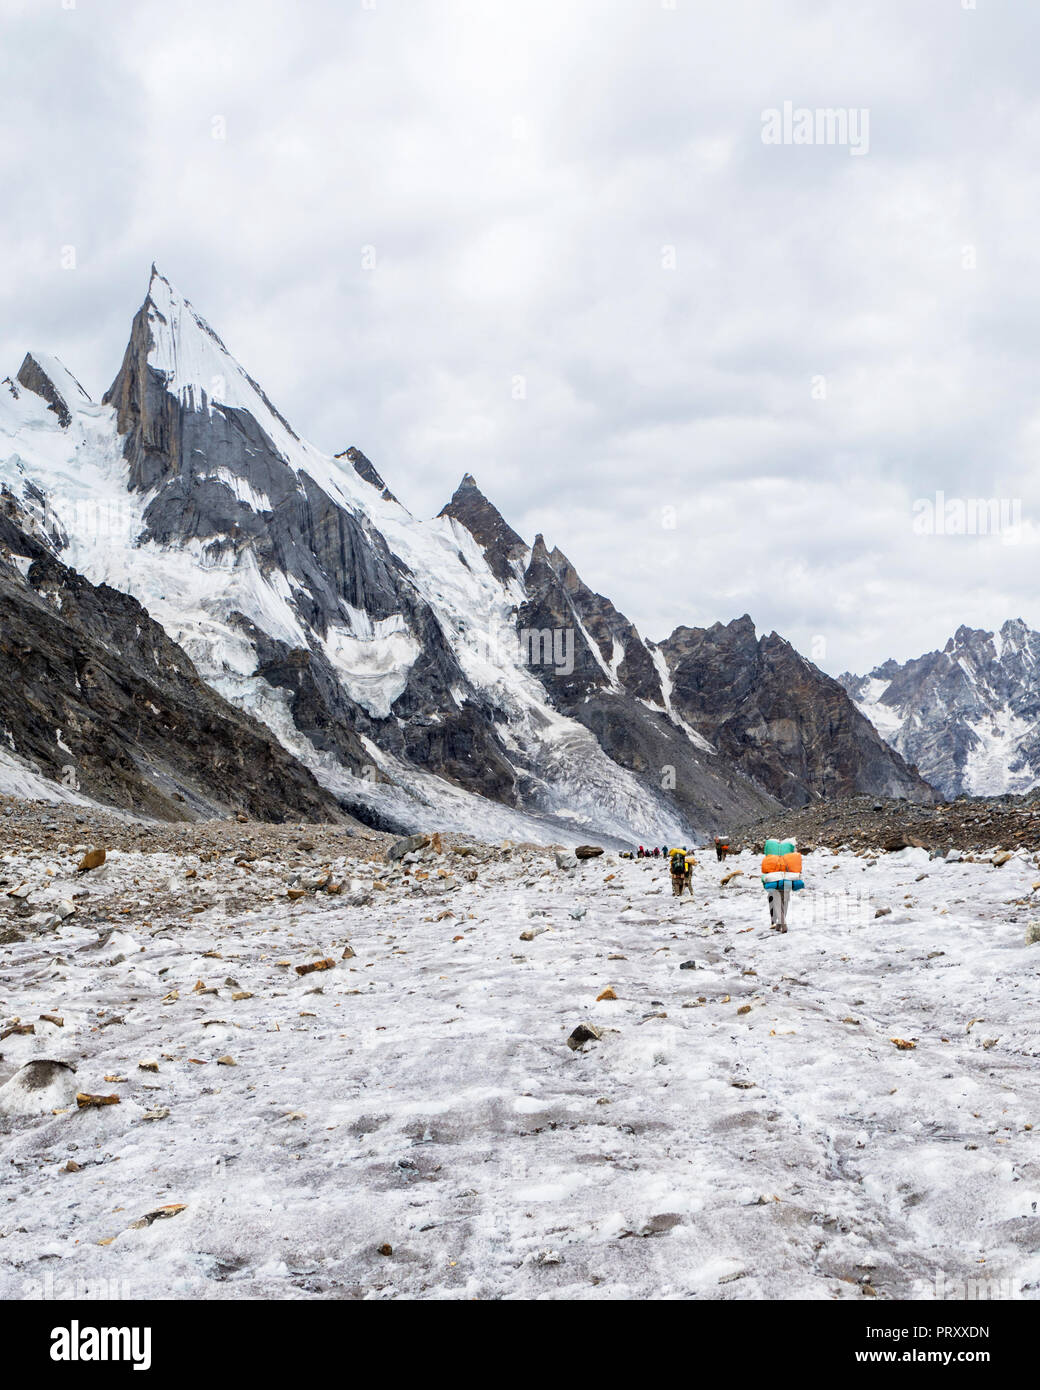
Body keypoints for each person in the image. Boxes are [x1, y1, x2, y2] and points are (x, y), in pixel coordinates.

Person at [759, 837, 804, 933]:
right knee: (786, 900)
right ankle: (780, 923)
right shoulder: (790, 852)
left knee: (777, 901)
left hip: (774, 878)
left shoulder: (770, 854)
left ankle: (782, 923)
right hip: (788, 877)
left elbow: (765, 868)